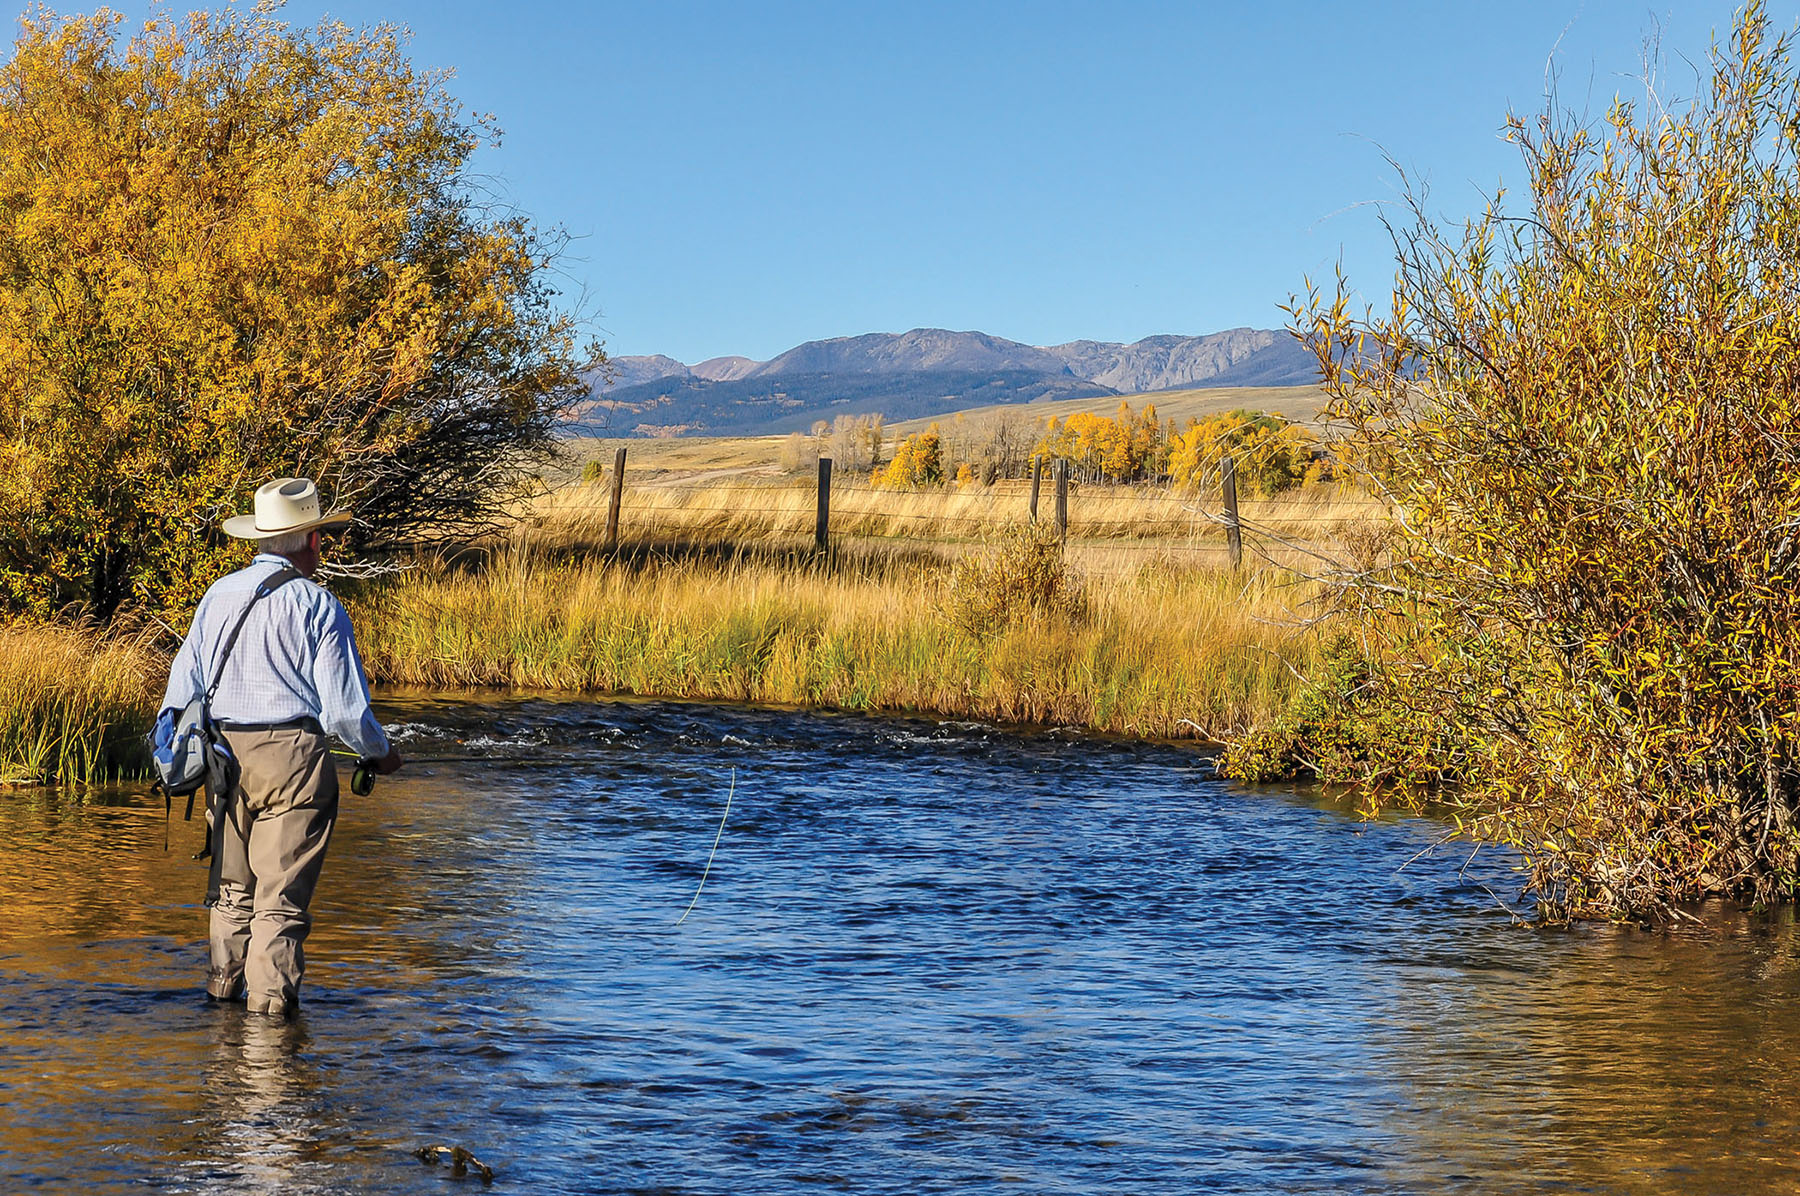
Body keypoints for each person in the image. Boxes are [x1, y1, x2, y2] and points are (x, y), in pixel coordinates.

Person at [161, 477, 403, 1017]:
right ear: (312, 540)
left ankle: (221, 1011)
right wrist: (381, 754)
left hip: (221, 760)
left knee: (232, 893)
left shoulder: (217, 595)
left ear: (262, 537)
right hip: (293, 761)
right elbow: (344, 714)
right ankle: (269, 1031)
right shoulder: (319, 606)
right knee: (280, 903)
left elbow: (181, 691)